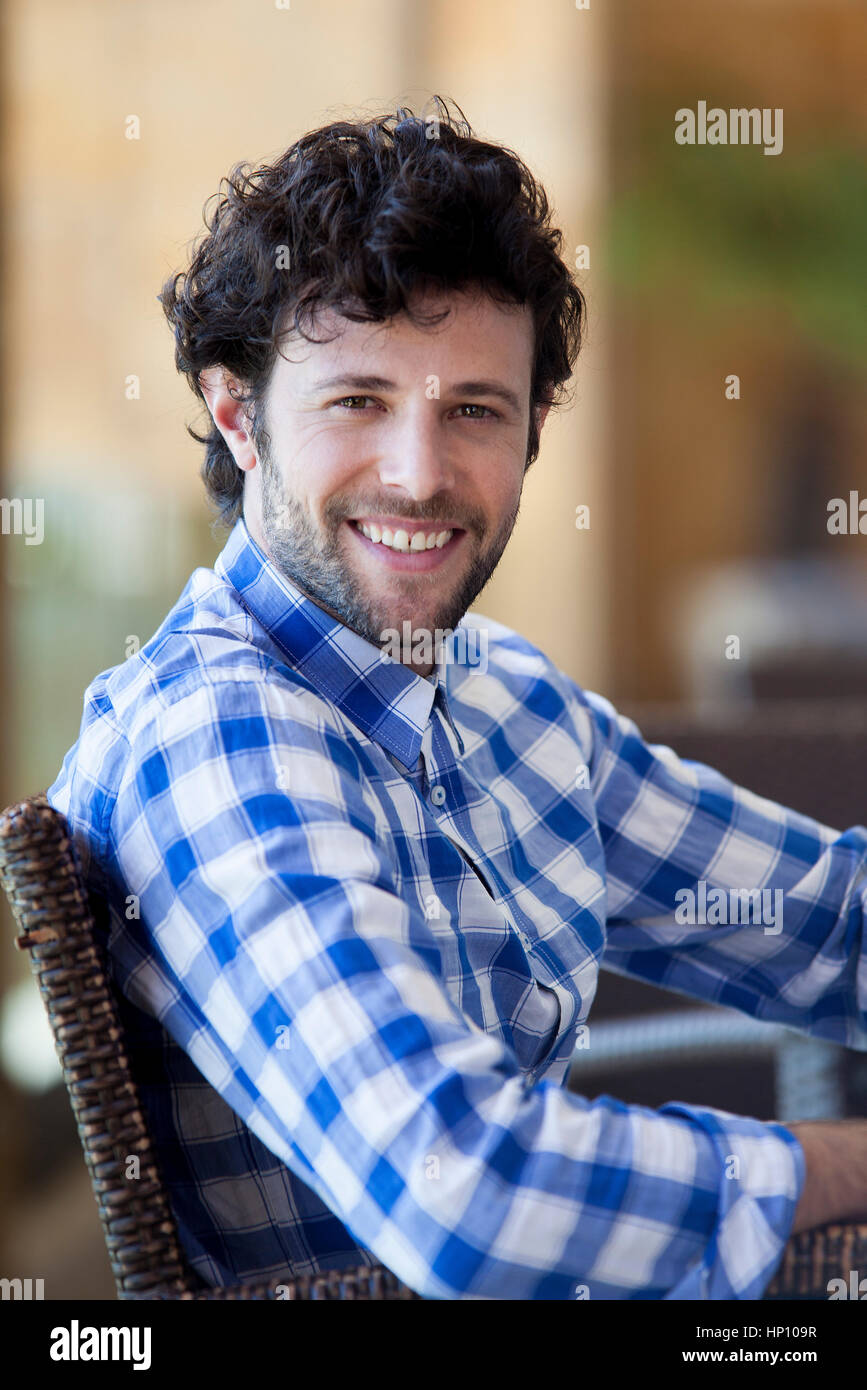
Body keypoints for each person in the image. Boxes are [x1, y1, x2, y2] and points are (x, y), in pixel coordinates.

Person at [46, 96, 867, 1300]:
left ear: (534, 428)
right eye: (357, 401)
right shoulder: (211, 737)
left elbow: (820, 921)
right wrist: (839, 1167)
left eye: (475, 410)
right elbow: (466, 1192)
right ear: (239, 413)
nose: (422, 475)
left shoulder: (501, 702)